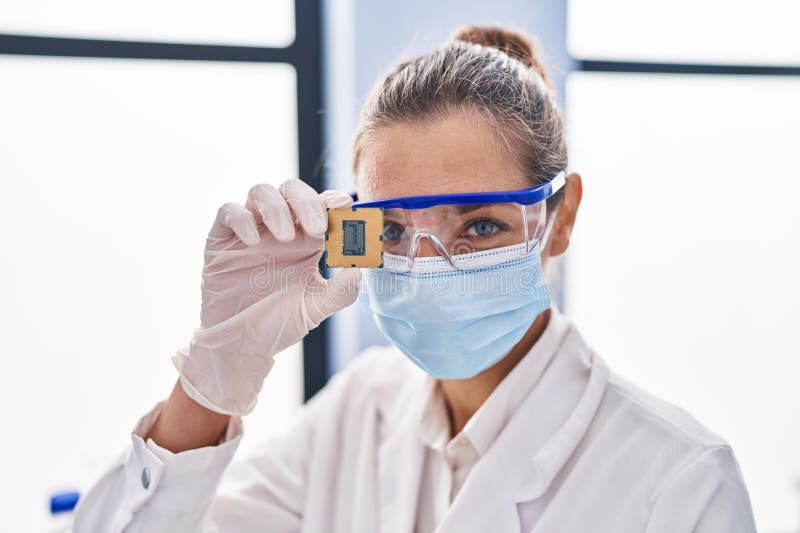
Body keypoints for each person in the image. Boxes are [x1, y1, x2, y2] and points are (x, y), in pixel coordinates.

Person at [73, 25, 757, 532]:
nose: (429, 268)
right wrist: (215, 371)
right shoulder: (356, 414)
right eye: (393, 230)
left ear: (561, 214)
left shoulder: (680, 482)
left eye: (480, 225)